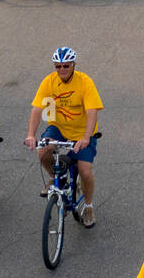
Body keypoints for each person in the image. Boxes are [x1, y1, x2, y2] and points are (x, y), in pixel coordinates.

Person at [25, 47, 102, 228]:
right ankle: (54, 177)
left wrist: (85, 138)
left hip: (82, 133)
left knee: (84, 171)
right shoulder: (49, 82)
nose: (61, 70)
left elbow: (92, 112)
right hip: (58, 128)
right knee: (43, 150)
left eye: (65, 66)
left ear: (73, 65)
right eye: (58, 66)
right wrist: (30, 135)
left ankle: (89, 206)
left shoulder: (85, 82)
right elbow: (37, 109)